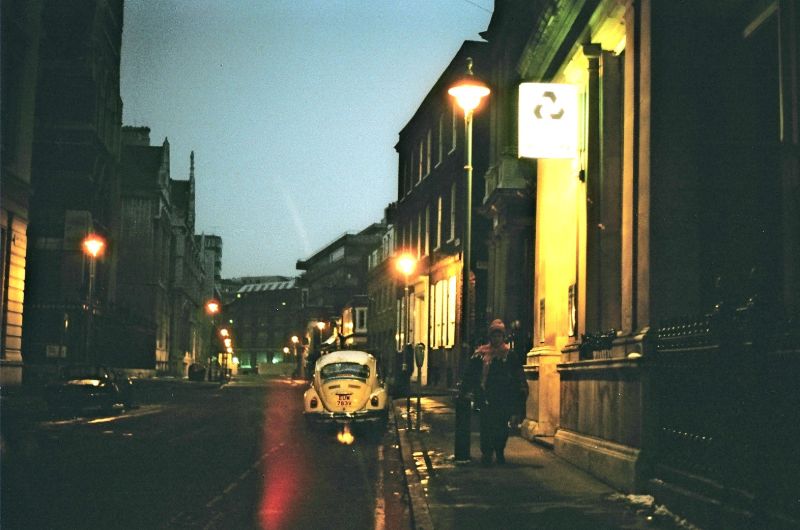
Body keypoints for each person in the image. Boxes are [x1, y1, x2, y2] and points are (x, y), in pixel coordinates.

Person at [465, 319, 527, 465]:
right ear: (490, 336)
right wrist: (467, 389)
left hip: (503, 397)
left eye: (499, 335)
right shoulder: (481, 354)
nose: (496, 338)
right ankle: (487, 453)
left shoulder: (509, 355)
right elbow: (471, 372)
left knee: (501, 427)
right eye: (494, 335)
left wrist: (521, 388)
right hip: (486, 396)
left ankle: (499, 451)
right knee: (486, 426)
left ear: (503, 336)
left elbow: (517, 373)